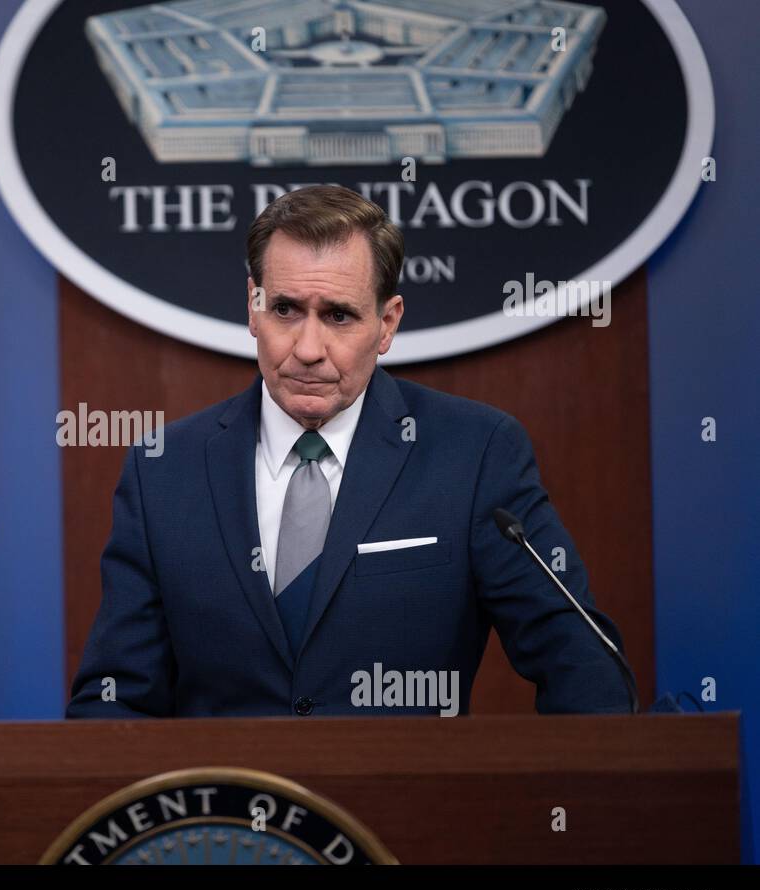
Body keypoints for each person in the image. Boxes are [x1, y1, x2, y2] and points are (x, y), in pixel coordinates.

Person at [66, 185, 632, 718]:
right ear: (252, 307)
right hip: (224, 820)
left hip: (406, 815)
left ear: (387, 324)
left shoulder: (475, 454)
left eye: (338, 316)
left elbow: (582, 665)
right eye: (285, 310)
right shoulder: (165, 470)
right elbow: (114, 700)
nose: (308, 349)